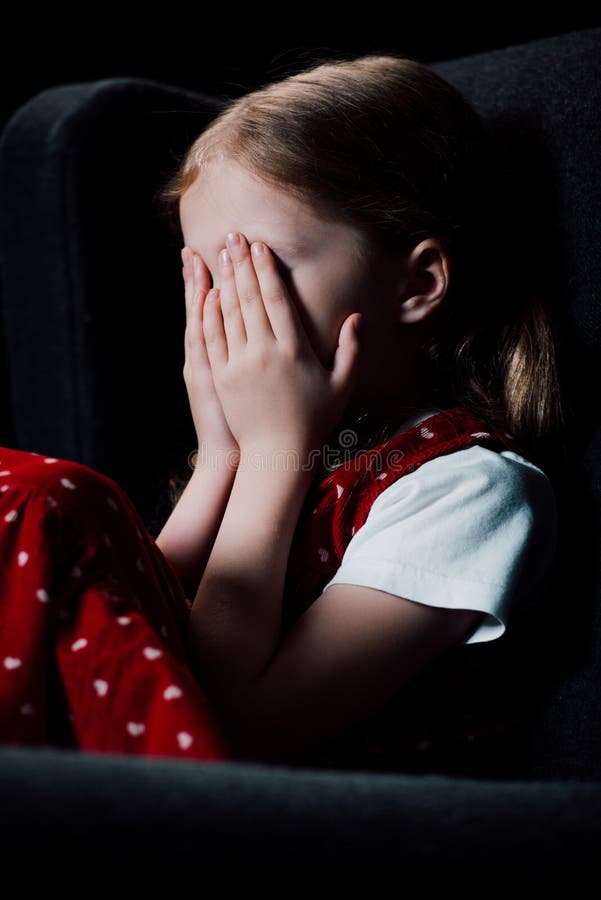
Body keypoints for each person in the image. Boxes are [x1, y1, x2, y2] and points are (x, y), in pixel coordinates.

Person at [0, 52, 564, 775]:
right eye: (210, 280)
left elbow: (223, 729)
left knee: (53, 500)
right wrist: (222, 458)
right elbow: (132, 630)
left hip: (313, 832)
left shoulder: (472, 492)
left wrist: (268, 450)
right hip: (149, 784)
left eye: (262, 271)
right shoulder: (309, 449)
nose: (230, 314)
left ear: (418, 282)